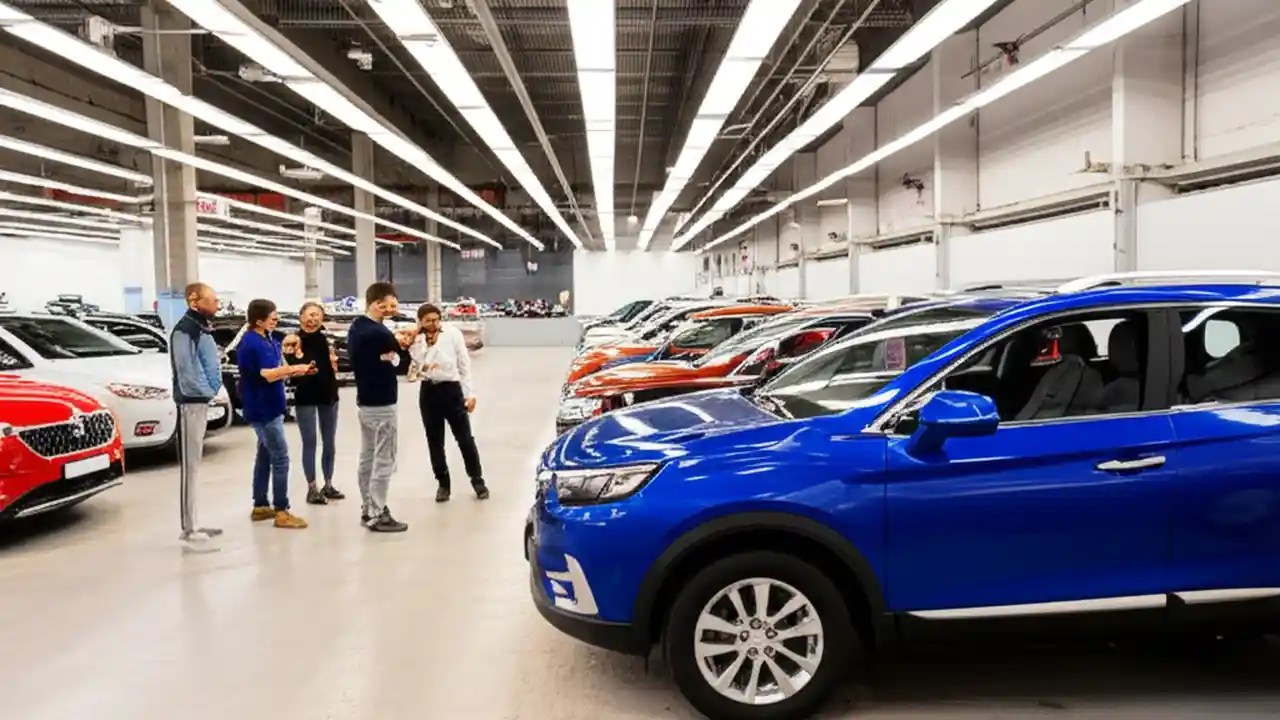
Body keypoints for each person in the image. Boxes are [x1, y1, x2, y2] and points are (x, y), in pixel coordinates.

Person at [238, 299, 312, 529]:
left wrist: (296, 368)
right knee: (280, 457)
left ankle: (260, 504)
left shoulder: (267, 338)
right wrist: (293, 369)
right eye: (272, 315)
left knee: (265, 455)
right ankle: (282, 510)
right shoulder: (251, 343)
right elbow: (267, 374)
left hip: (272, 405)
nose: (276, 318)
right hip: (263, 409)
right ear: (259, 319)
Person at [408, 303, 488, 503]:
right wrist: (422, 342)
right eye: (428, 321)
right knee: (435, 441)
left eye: (436, 319)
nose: (433, 323)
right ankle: (443, 483)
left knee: (465, 439)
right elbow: (417, 362)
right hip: (429, 391)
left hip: (452, 390)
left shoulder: (453, 334)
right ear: (421, 322)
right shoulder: (417, 339)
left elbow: (464, 364)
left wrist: (470, 394)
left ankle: (477, 480)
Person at [347, 282, 410, 532]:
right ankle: (378, 511)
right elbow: (401, 361)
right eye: (389, 303)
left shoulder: (357, 328)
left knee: (368, 456)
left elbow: (390, 357)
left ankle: (367, 507)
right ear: (378, 303)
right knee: (384, 459)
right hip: (382, 403)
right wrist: (400, 347)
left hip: (365, 402)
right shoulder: (379, 333)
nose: (392, 308)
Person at [170, 282, 224, 553]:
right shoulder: (185, 330)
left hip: (201, 401)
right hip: (191, 404)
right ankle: (188, 528)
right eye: (212, 300)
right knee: (190, 466)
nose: (217, 304)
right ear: (195, 301)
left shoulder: (201, 327)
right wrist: (203, 391)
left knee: (197, 465)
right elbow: (186, 369)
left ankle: (195, 522)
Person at [283, 301, 345, 506]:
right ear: (301, 317)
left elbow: (333, 364)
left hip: (329, 394)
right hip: (306, 397)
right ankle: (312, 487)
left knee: (330, 441)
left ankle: (328, 483)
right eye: (310, 315)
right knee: (309, 442)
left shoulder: (326, 338)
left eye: (318, 315)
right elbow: (290, 366)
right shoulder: (294, 340)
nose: (314, 319)